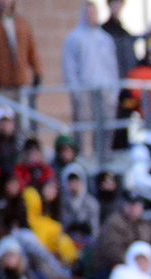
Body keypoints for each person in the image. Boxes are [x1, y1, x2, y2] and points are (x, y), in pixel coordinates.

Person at [62, 2, 118, 162]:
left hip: (104, 88)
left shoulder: (105, 38)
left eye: (93, 12)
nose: (91, 16)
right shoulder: (74, 38)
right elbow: (69, 66)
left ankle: (104, 155)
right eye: (88, 12)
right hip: (84, 89)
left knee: (106, 124)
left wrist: (114, 89)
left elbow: (112, 65)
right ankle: (83, 156)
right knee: (84, 124)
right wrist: (75, 90)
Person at [0, 0, 42, 101]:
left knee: (22, 114)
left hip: (20, 83)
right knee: (0, 114)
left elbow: (32, 51)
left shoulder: (22, 24)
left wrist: (37, 72)